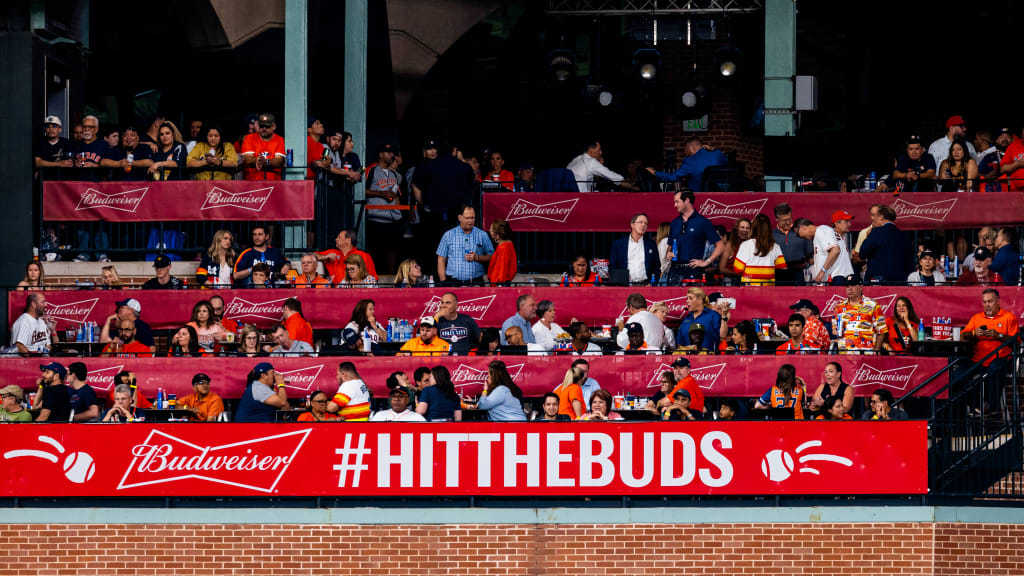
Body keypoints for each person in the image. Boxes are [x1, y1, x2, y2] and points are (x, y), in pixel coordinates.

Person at [963, 288, 1019, 414]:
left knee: (995, 368)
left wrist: (998, 335)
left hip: (1000, 359)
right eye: (984, 302)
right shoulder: (977, 318)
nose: (987, 305)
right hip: (978, 360)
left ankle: (992, 407)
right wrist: (973, 333)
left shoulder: (1009, 317)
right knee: (957, 374)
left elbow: (1016, 342)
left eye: (990, 301)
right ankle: (974, 405)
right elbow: (963, 336)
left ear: (998, 301)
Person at [664, 190, 724, 283]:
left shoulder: (703, 222)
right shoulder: (675, 222)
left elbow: (720, 246)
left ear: (687, 200)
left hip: (693, 271)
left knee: (693, 293)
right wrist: (668, 254)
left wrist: (706, 262)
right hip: (674, 271)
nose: (675, 205)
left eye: (677, 202)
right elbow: (670, 245)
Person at [364, 143, 403, 273]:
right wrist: (381, 193)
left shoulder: (394, 174)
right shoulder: (371, 170)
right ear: (381, 154)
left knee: (392, 249)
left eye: (393, 153)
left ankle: (391, 277)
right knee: (372, 249)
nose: (392, 155)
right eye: (388, 152)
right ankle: (369, 275)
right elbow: (361, 190)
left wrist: (399, 213)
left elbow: (397, 195)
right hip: (375, 217)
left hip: (392, 218)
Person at [436, 205, 494, 285]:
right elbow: (441, 259)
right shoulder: (448, 235)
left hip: (476, 282)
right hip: (453, 282)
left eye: (473, 218)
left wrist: (477, 257)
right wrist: (443, 282)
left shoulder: (482, 235)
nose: (470, 221)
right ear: (460, 218)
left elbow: (492, 256)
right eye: (467, 218)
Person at [855, 204, 914, 284]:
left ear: (881, 217)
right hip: (900, 281)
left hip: (878, 281)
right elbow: (910, 261)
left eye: (875, 216)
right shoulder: (904, 235)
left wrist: (868, 236)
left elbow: (862, 253)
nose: (873, 219)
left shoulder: (877, 232)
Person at [648, 137, 727, 192]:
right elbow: (728, 164)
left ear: (691, 147)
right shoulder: (718, 154)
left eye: (685, 149)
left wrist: (655, 172)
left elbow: (674, 177)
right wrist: (713, 149)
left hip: (699, 198)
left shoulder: (690, 161)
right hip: (720, 196)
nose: (685, 153)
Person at [795, 213, 855, 284]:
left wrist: (822, 271)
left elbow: (835, 250)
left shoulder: (822, 230)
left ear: (802, 228)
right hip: (841, 276)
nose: (800, 237)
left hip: (837, 277)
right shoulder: (828, 232)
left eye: (798, 234)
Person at [832, 275, 887, 353]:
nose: (850, 289)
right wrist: (835, 330)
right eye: (847, 286)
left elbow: (881, 330)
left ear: (861, 287)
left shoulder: (872, 305)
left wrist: (877, 349)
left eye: (853, 285)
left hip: (865, 353)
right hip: (844, 353)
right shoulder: (839, 307)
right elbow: (835, 329)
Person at [733, 214, 786, 285]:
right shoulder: (775, 246)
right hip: (769, 287)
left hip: (749, 287)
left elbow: (737, 269)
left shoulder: (746, 245)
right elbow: (782, 270)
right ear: (769, 229)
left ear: (753, 227)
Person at [609, 213, 660, 284]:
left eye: (646, 223)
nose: (643, 225)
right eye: (641, 222)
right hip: (625, 285)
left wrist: (652, 283)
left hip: (646, 285)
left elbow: (657, 266)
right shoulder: (619, 244)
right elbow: (612, 266)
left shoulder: (651, 244)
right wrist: (619, 282)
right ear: (632, 225)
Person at [240, 113, 286, 180]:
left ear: (274, 126)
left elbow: (279, 160)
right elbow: (247, 159)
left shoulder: (279, 139)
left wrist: (266, 162)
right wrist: (257, 160)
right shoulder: (249, 138)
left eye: (267, 126)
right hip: (252, 179)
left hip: (273, 180)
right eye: (261, 126)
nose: (264, 128)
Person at [718, 218, 752, 282]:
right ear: (736, 229)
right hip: (730, 279)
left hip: (747, 279)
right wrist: (738, 274)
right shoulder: (729, 245)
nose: (745, 230)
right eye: (742, 227)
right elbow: (721, 268)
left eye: (747, 228)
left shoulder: (751, 245)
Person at [487, 219, 517, 286]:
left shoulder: (503, 248)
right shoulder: (506, 245)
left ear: (497, 235)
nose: (489, 231)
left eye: (491, 230)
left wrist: (497, 284)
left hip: (499, 284)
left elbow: (501, 270)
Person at [999, 126, 1024, 191]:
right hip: (1017, 190)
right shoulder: (1013, 146)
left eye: (1007, 136)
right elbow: (1002, 169)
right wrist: (1016, 164)